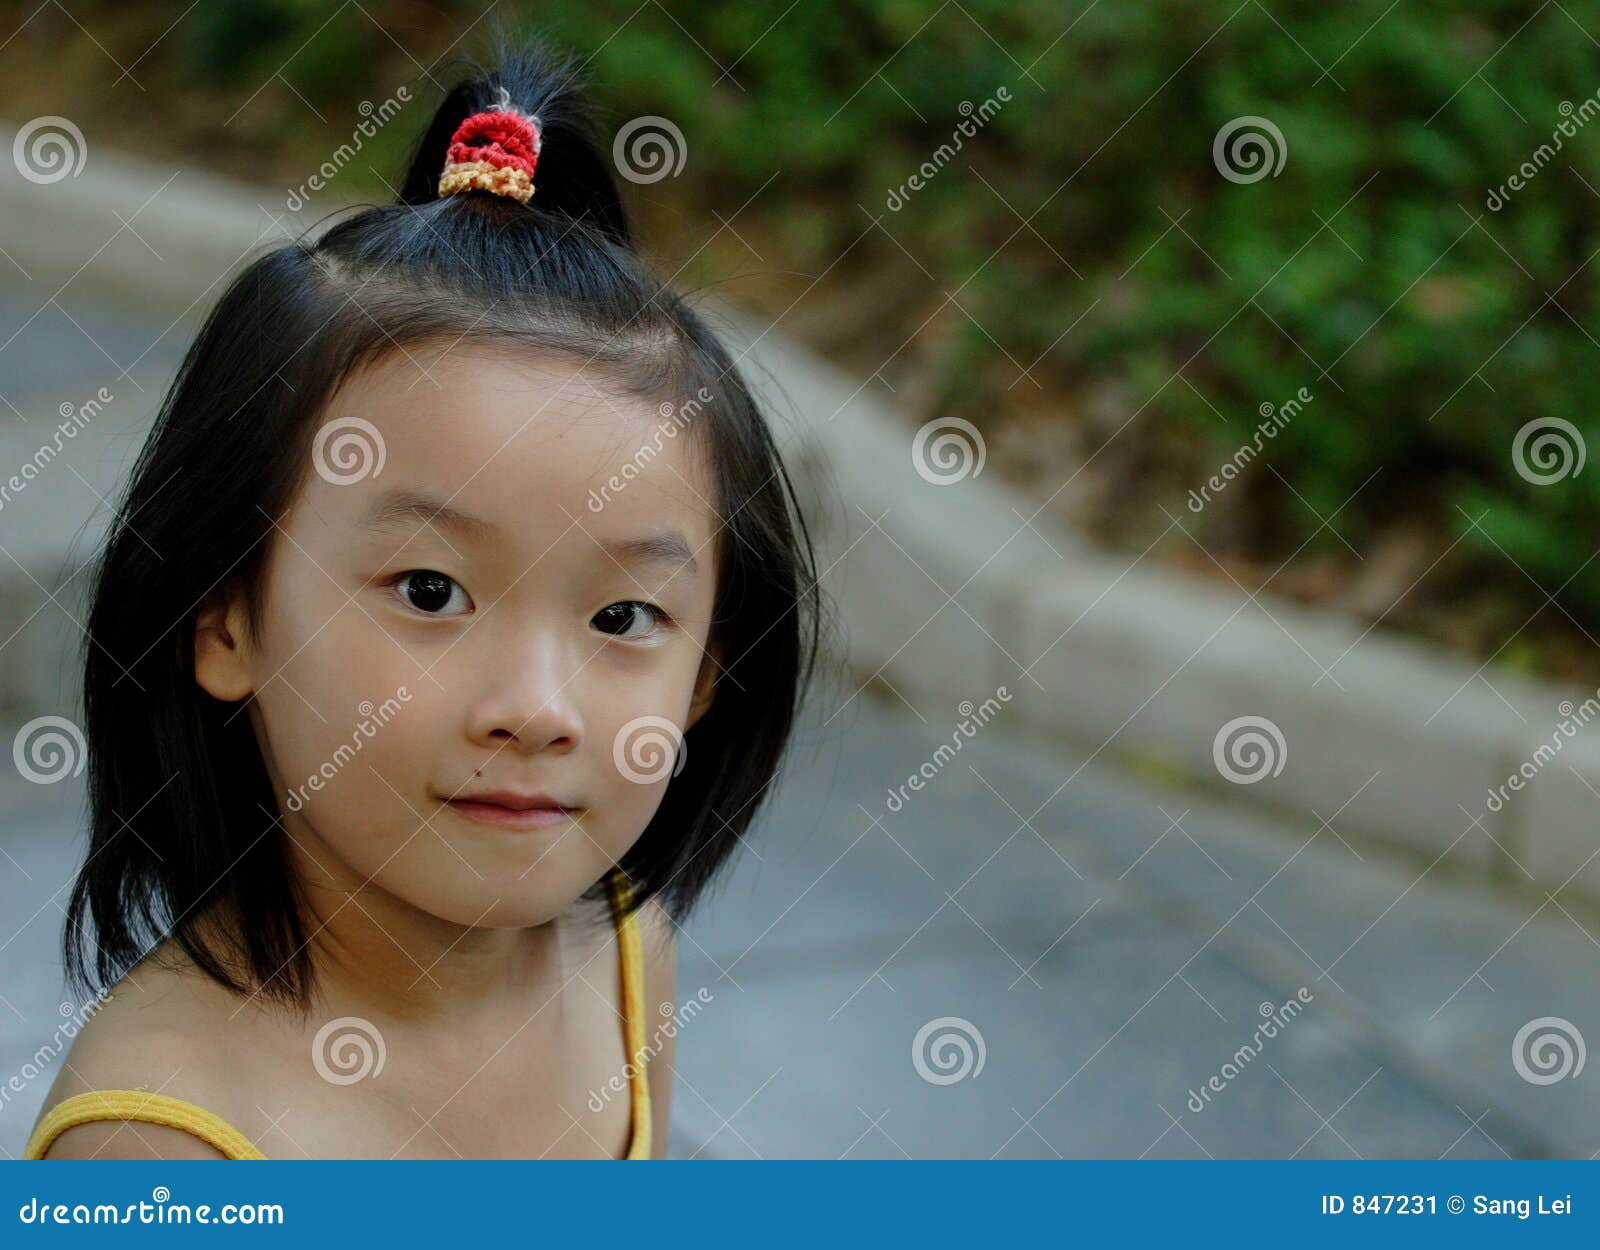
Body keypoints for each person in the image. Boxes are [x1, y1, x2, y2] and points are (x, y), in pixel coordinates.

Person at [22, 32, 821, 1161]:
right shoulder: (159, 1156)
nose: (536, 705)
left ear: (705, 672)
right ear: (224, 616)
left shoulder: (624, 953)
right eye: (432, 589)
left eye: (623, 616)